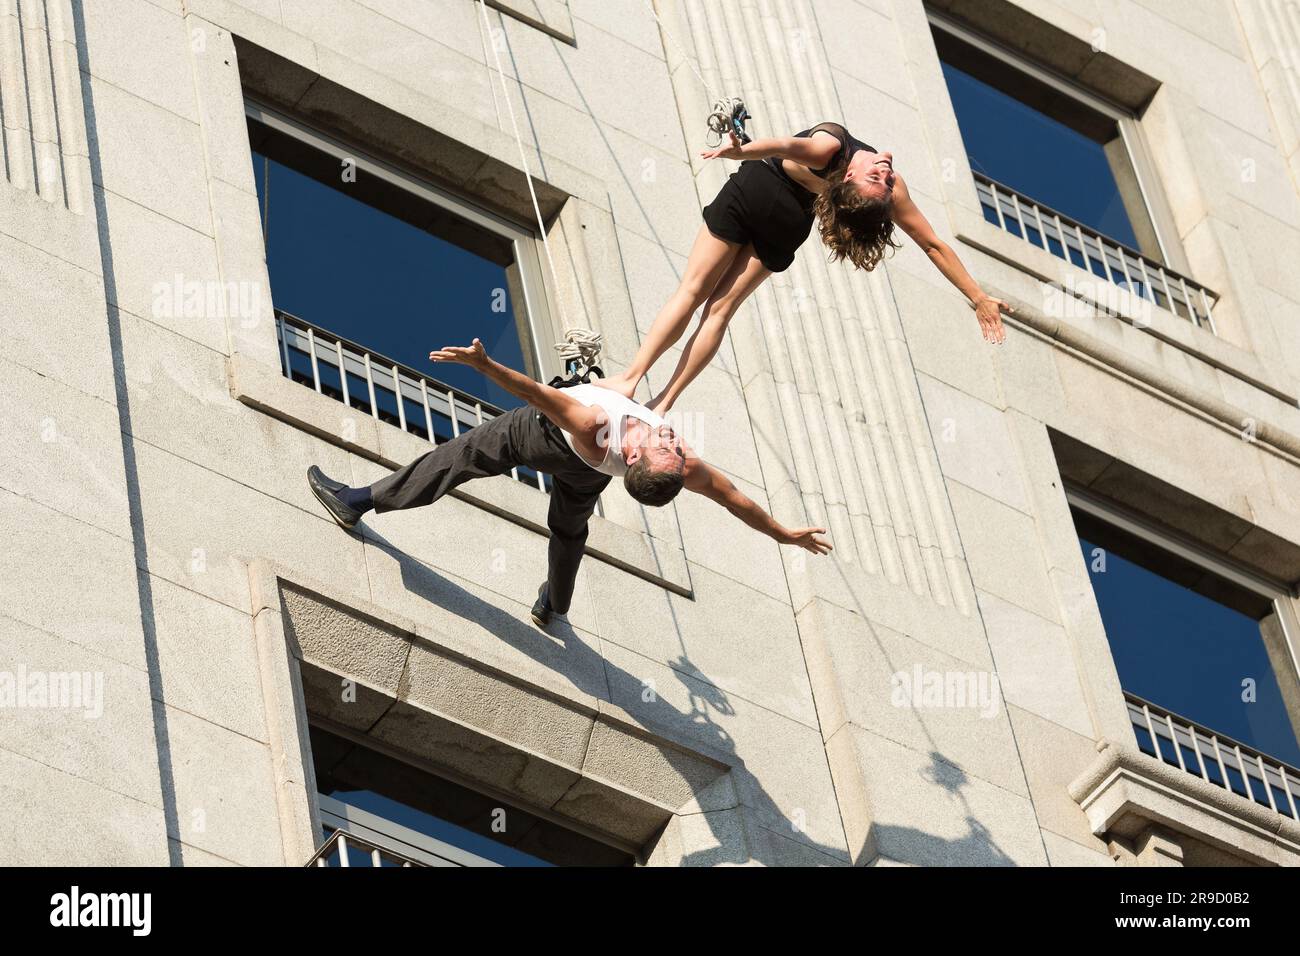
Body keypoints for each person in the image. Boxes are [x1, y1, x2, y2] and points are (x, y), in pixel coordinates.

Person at [306, 338, 831, 628]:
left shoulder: (595, 426)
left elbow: (535, 393)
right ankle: (556, 601)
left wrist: (484, 364)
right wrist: (783, 534)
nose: (677, 442)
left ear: (635, 453)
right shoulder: (673, 467)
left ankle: (359, 501)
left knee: (462, 455)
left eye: (668, 446)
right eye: (677, 449)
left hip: (541, 437)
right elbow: (735, 500)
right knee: (569, 528)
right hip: (588, 473)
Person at [600, 121, 1013, 412]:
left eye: (877, 181)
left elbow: (783, 146)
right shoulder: (889, 186)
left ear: (848, 176)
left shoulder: (831, 149)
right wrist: (976, 297)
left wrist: (739, 150)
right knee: (720, 311)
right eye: (884, 184)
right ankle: (664, 402)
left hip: (759, 188)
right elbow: (932, 244)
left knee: (693, 291)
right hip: (791, 220)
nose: (886, 177)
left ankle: (631, 378)